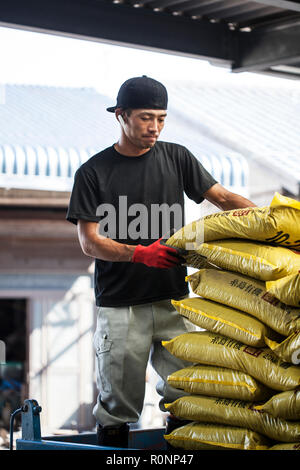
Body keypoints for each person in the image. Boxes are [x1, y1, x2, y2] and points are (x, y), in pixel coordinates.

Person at [66, 75, 256, 448]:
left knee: (188, 393)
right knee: (118, 406)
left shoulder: (176, 157)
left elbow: (222, 198)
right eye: (145, 118)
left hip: (173, 299)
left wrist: (277, 225)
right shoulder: (93, 173)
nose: (154, 127)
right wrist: (140, 253)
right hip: (121, 306)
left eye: (161, 118)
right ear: (120, 115)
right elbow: (89, 243)